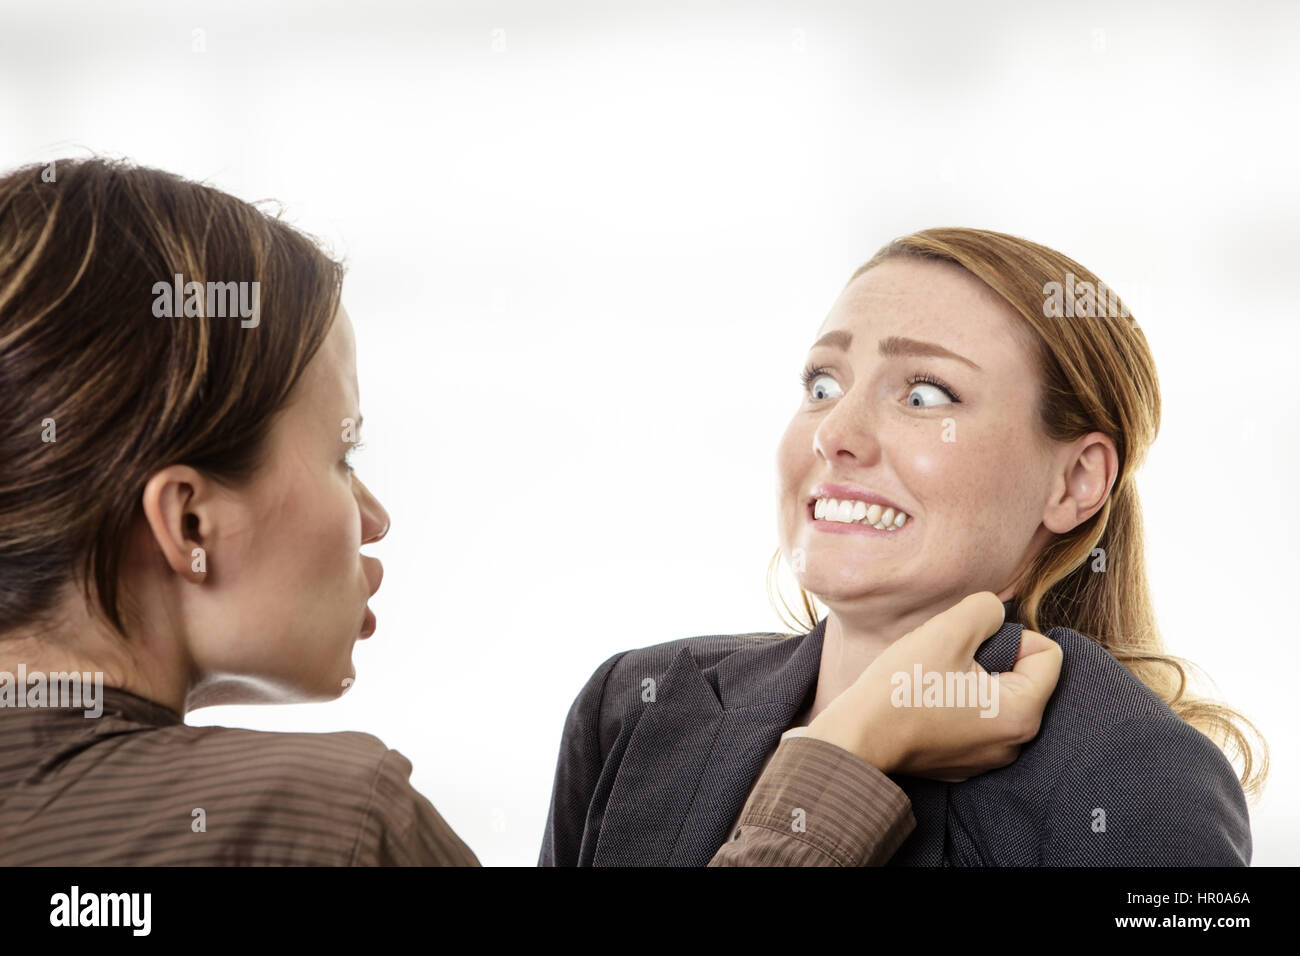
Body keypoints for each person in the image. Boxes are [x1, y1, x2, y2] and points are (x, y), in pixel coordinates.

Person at [0, 160, 1061, 866]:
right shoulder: (324, 821)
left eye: (926, 393)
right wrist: (844, 756)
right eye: (340, 452)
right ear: (186, 522)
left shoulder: (1118, 759)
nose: (370, 516)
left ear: (1078, 477)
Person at [540, 227, 1268, 866]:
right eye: (823, 384)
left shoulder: (1132, 774)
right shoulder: (636, 705)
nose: (835, 434)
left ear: (1076, 481)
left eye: (925, 396)